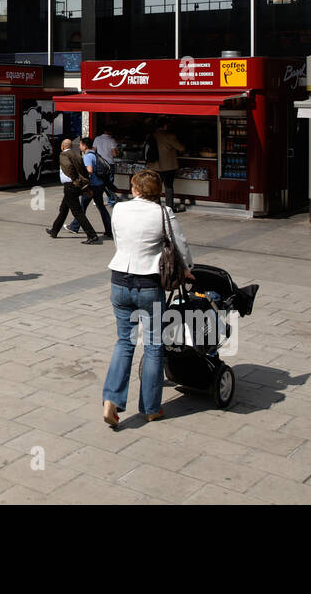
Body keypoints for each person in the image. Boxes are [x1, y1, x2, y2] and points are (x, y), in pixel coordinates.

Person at [101, 168, 192, 428]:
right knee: (153, 345)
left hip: (119, 279)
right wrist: (188, 270)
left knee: (124, 341)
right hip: (149, 283)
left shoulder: (119, 209)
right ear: (157, 191)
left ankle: (111, 400)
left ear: (136, 189)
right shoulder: (163, 212)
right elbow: (180, 245)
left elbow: (118, 240)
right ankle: (151, 408)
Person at [46, 138, 101, 244]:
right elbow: (84, 171)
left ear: (63, 146)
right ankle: (54, 230)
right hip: (74, 186)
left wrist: (75, 180)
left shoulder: (64, 155)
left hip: (70, 186)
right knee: (64, 209)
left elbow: (69, 168)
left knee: (77, 212)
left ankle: (92, 235)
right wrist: (84, 185)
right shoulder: (76, 155)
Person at [68, 136, 112, 239]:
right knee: (100, 207)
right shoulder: (94, 154)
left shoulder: (87, 156)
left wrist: (81, 174)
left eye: (80, 145)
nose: (79, 146)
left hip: (92, 186)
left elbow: (90, 170)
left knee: (82, 207)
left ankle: (74, 227)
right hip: (99, 184)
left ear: (84, 145)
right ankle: (109, 230)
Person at [146, 118, 186, 211]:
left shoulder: (151, 135)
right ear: (165, 126)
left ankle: (157, 207)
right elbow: (181, 148)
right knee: (168, 187)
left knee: (156, 187)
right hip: (168, 166)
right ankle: (169, 208)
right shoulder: (169, 136)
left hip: (154, 166)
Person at [91, 124, 120, 205]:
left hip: (100, 164)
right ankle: (110, 201)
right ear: (110, 131)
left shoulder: (97, 138)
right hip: (109, 164)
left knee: (99, 181)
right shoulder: (112, 140)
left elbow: (93, 150)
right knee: (109, 182)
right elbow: (114, 154)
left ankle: (97, 199)